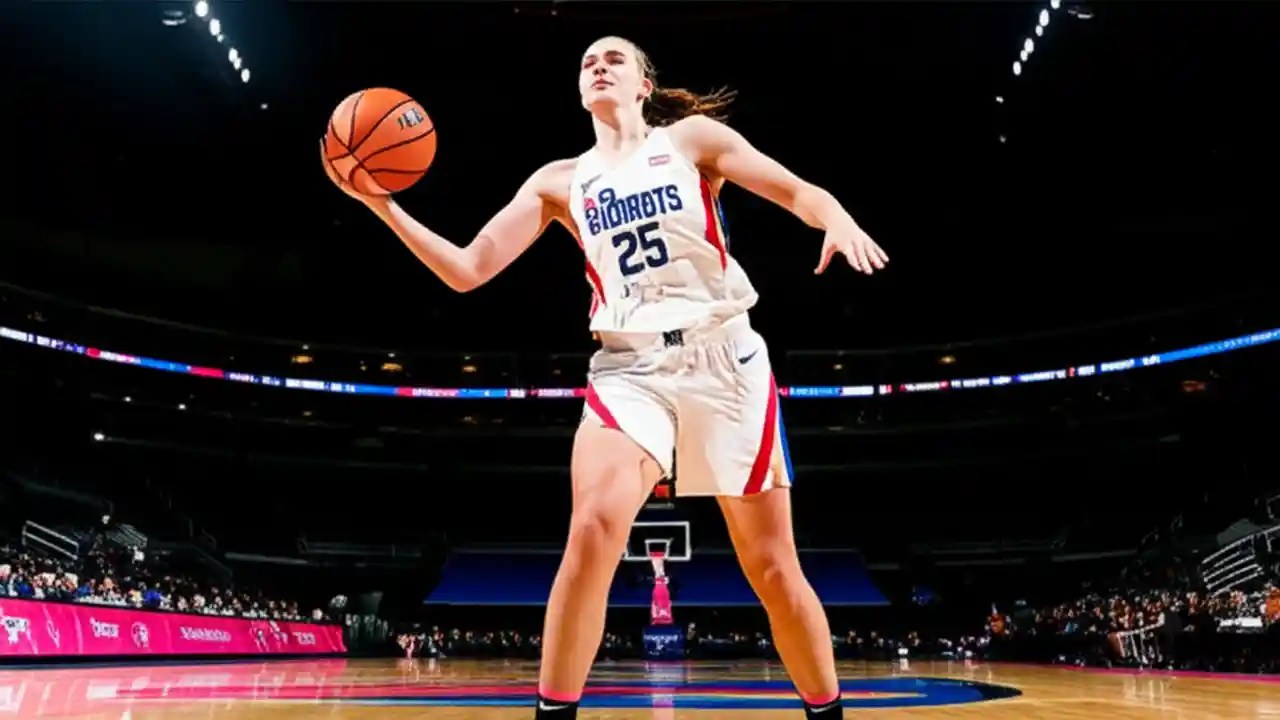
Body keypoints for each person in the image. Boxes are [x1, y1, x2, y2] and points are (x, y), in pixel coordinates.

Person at [321, 35, 887, 720]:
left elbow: (797, 189)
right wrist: (382, 205)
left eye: (615, 58)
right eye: (588, 61)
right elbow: (468, 271)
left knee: (772, 568)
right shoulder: (559, 180)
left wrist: (836, 218)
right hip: (630, 369)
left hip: (724, 360)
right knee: (591, 526)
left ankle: (826, 712)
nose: (599, 66)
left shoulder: (691, 140)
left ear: (645, 82)